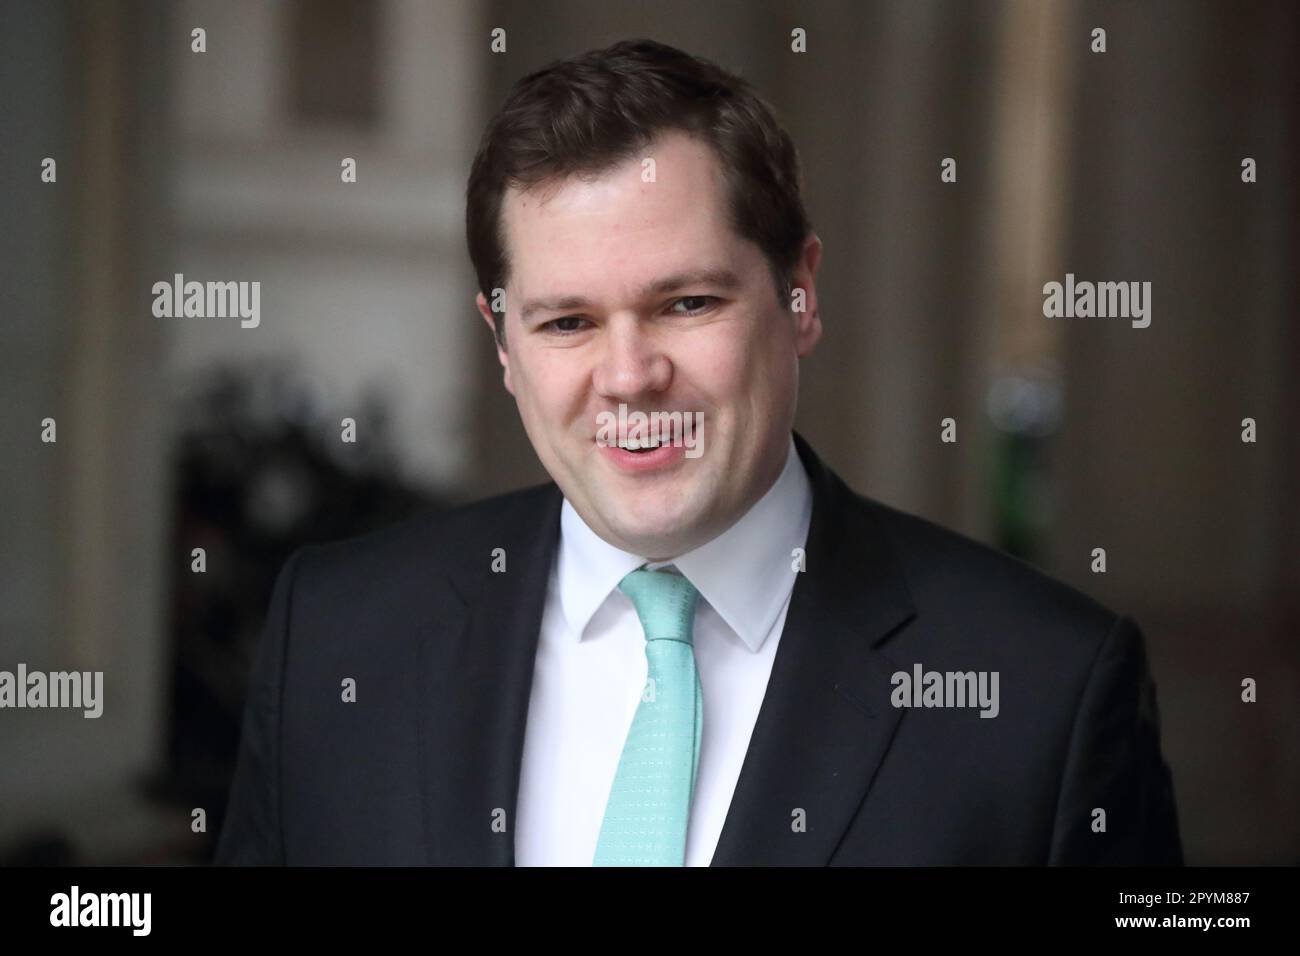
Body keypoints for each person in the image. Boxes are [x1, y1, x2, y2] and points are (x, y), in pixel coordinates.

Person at [215, 38, 1182, 866]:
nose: (629, 375)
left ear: (800, 293)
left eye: (687, 304)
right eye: (566, 322)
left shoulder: (1044, 690)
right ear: (502, 343)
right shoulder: (337, 640)